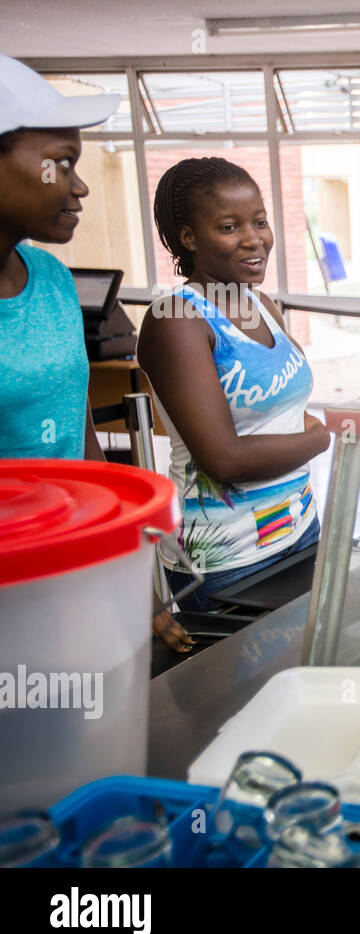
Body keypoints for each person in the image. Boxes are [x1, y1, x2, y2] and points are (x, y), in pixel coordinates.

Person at [0, 55, 191, 653]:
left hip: (68, 576)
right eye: (62, 162)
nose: (79, 185)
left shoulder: (51, 279)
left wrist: (124, 572)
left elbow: (80, 443)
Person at [138, 157, 329, 613]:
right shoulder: (177, 319)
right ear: (189, 238)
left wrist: (302, 429)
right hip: (228, 556)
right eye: (229, 227)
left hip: (300, 525)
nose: (254, 238)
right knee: (242, 685)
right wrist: (320, 437)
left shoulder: (263, 305)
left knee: (305, 674)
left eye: (260, 222)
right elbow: (225, 459)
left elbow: (284, 410)